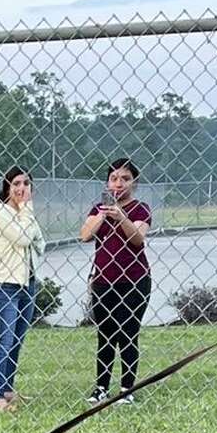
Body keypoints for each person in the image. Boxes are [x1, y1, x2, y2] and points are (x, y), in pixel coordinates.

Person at [79, 158, 152, 405]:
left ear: (134, 182)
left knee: (128, 334)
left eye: (125, 179)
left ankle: (126, 389)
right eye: (114, 178)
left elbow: (138, 239)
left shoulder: (140, 209)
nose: (119, 184)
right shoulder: (98, 208)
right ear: (107, 182)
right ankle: (101, 388)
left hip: (134, 281)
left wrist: (121, 217)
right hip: (103, 281)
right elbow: (85, 235)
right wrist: (103, 215)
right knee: (106, 335)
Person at [0, 167, 45, 413]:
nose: (22, 188)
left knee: (17, 341)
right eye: (16, 184)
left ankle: (9, 389)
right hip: (7, 285)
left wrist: (27, 220)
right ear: (7, 187)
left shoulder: (24, 213)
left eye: (26, 184)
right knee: (5, 339)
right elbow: (23, 239)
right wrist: (27, 213)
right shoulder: (1, 212)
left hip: (27, 283)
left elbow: (40, 242)